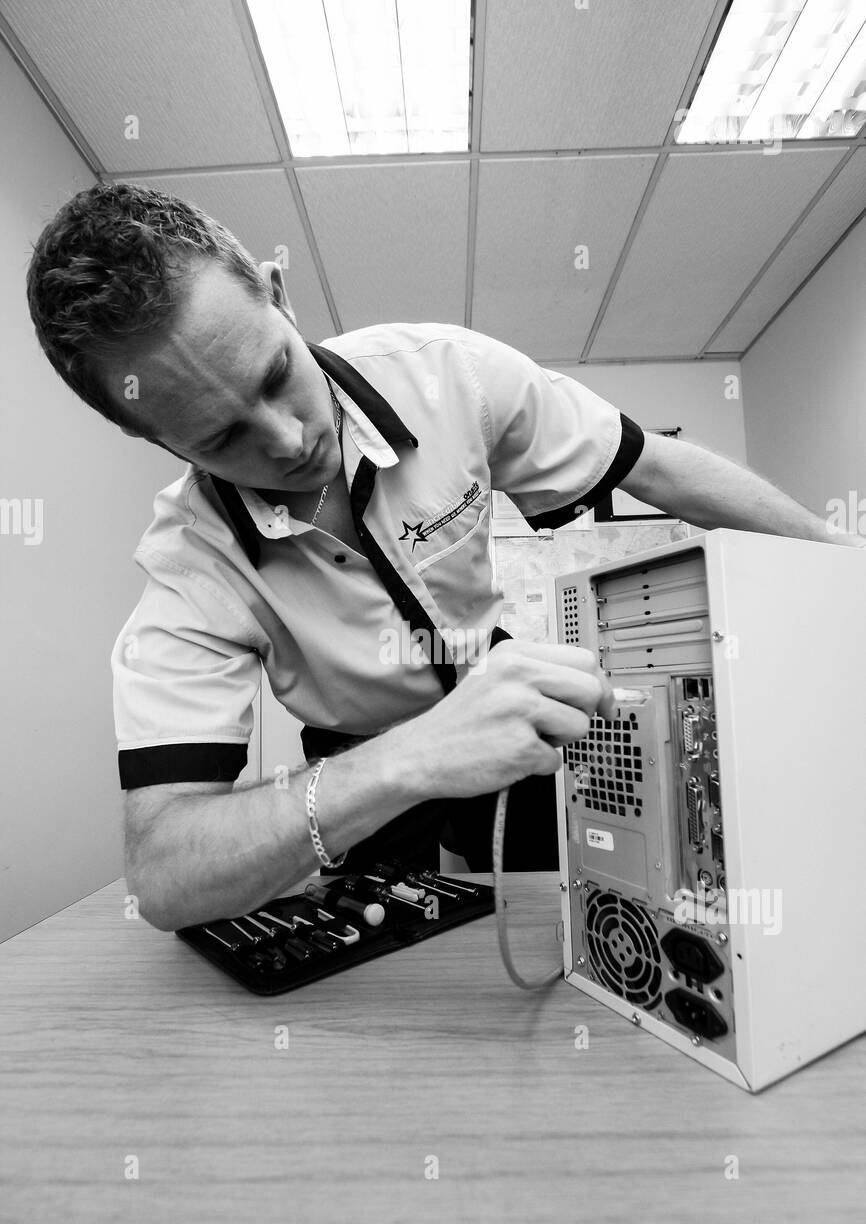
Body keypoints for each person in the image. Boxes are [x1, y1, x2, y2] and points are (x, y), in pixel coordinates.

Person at [25, 182, 863, 931]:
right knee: (405, 974)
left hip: (517, 723)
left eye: (276, 374)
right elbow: (164, 875)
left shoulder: (448, 374)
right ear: (146, 432)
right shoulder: (186, 568)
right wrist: (408, 760)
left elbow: (657, 468)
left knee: (581, 930)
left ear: (277, 295)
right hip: (361, 776)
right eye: (222, 436)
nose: (288, 440)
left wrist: (837, 559)